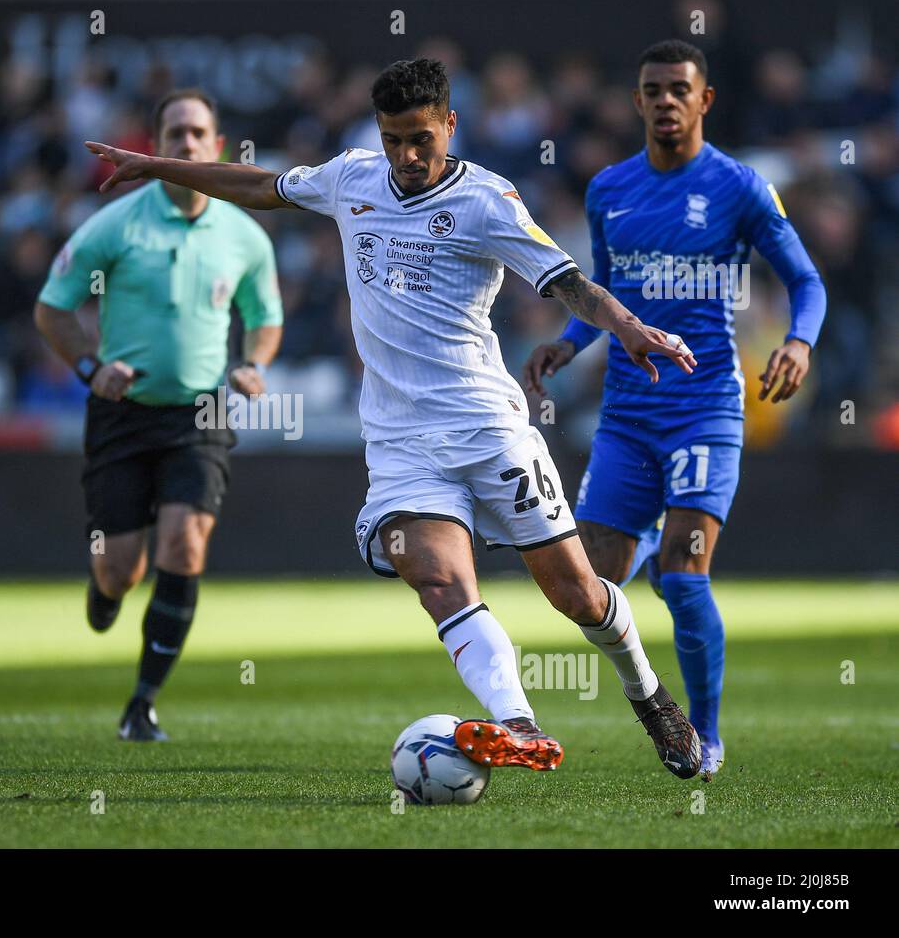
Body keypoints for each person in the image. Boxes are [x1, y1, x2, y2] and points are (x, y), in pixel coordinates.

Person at [85, 58, 703, 778]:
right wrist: (158, 167)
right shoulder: (351, 178)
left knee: (577, 594)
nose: (406, 157)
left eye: (419, 139)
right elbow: (259, 185)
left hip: (486, 424)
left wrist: (628, 327)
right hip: (401, 440)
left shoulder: (488, 201)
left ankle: (650, 695)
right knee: (437, 577)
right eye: (391, 140)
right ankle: (518, 724)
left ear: (450, 124)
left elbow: (569, 283)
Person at [523, 39, 827, 780]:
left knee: (686, 577)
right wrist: (569, 342)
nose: (664, 100)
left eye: (677, 89)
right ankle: (652, 544)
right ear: (637, 101)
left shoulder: (741, 187)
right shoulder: (609, 191)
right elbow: (604, 293)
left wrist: (799, 342)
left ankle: (707, 735)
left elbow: (807, 281)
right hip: (628, 416)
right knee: (590, 586)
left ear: (704, 100)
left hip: (707, 409)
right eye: (652, 89)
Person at [36, 89, 283, 741]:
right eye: (176, 134)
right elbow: (52, 307)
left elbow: (265, 319)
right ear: (156, 146)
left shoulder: (244, 234)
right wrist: (92, 369)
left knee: (185, 542)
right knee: (123, 565)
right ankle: (108, 586)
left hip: (200, 412)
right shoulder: (115, 223)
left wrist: (253, 363)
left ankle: (142, 702)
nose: (189, 144)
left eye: (200, 133)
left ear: (219, 145)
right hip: (123, 412)